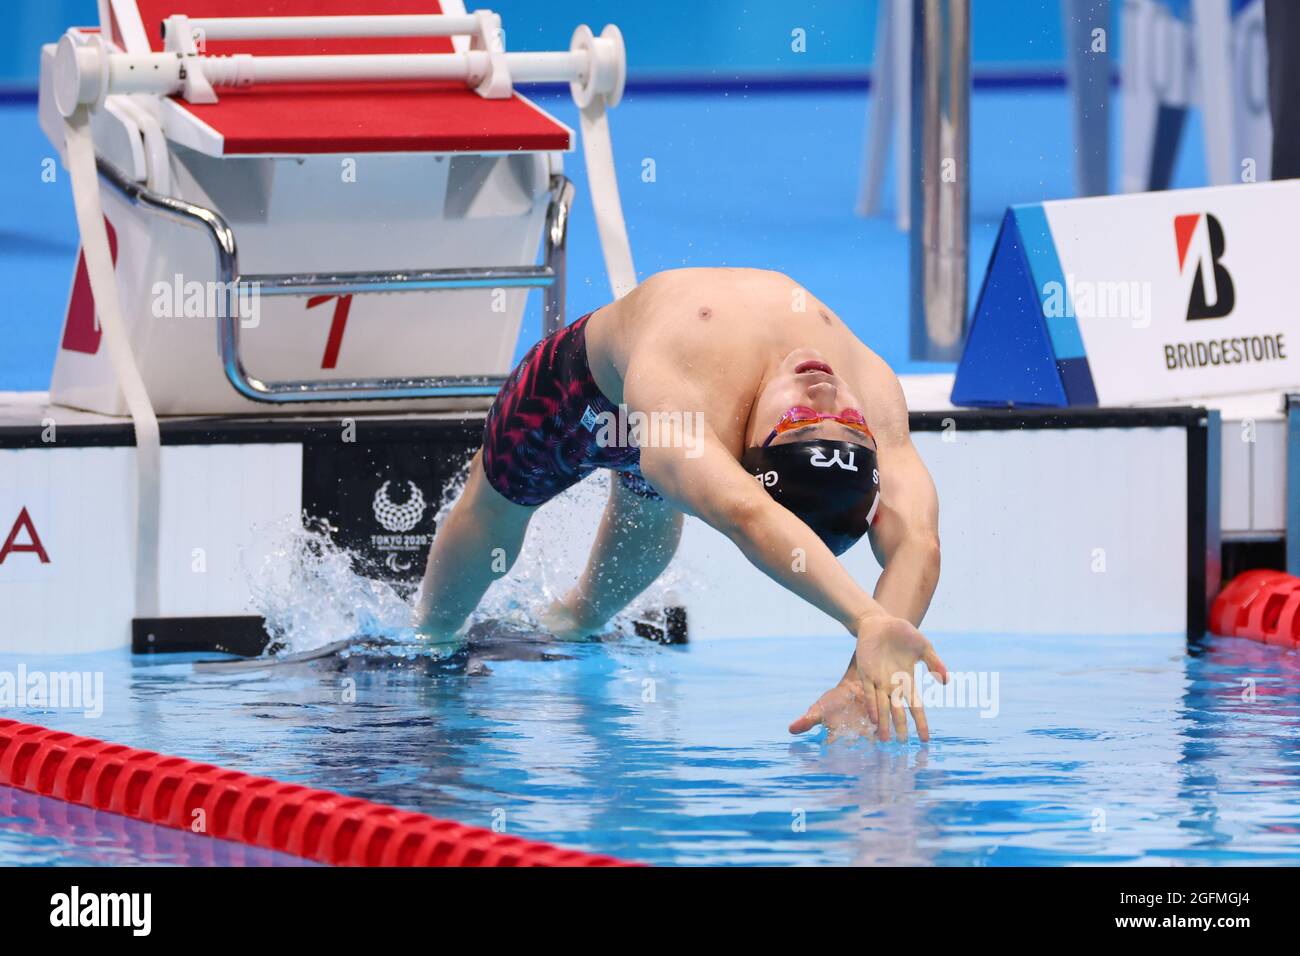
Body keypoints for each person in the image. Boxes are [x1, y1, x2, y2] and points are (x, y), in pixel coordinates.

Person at [415, 267, 948, 741]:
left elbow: (758, 515)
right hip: (581, 395)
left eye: (800, 422)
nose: (826, 395)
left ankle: (569, 624)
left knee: (649, 505)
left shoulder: (697, 435)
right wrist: (867, 620)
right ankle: (433, 638)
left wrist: (860, 679)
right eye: (850, 424)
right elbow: (908, 539)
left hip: (663, 410)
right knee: (496, 510)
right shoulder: (865, 385)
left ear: (745, 454)